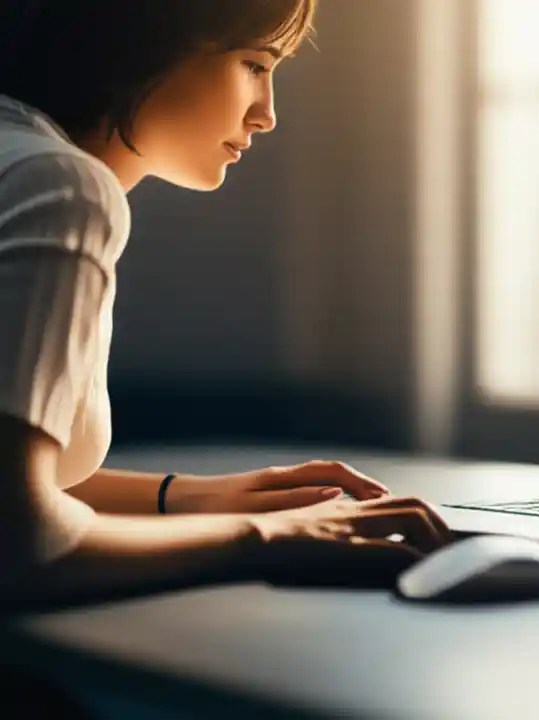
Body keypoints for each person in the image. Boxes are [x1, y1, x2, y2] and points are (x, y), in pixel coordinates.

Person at [0, 0, 451, 609]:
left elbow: (20, 485)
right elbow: (22, 543)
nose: (267, 115)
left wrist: (186, 498)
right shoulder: (59, 186)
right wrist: (268, 535)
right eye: (254, 65)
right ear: (146, 37)